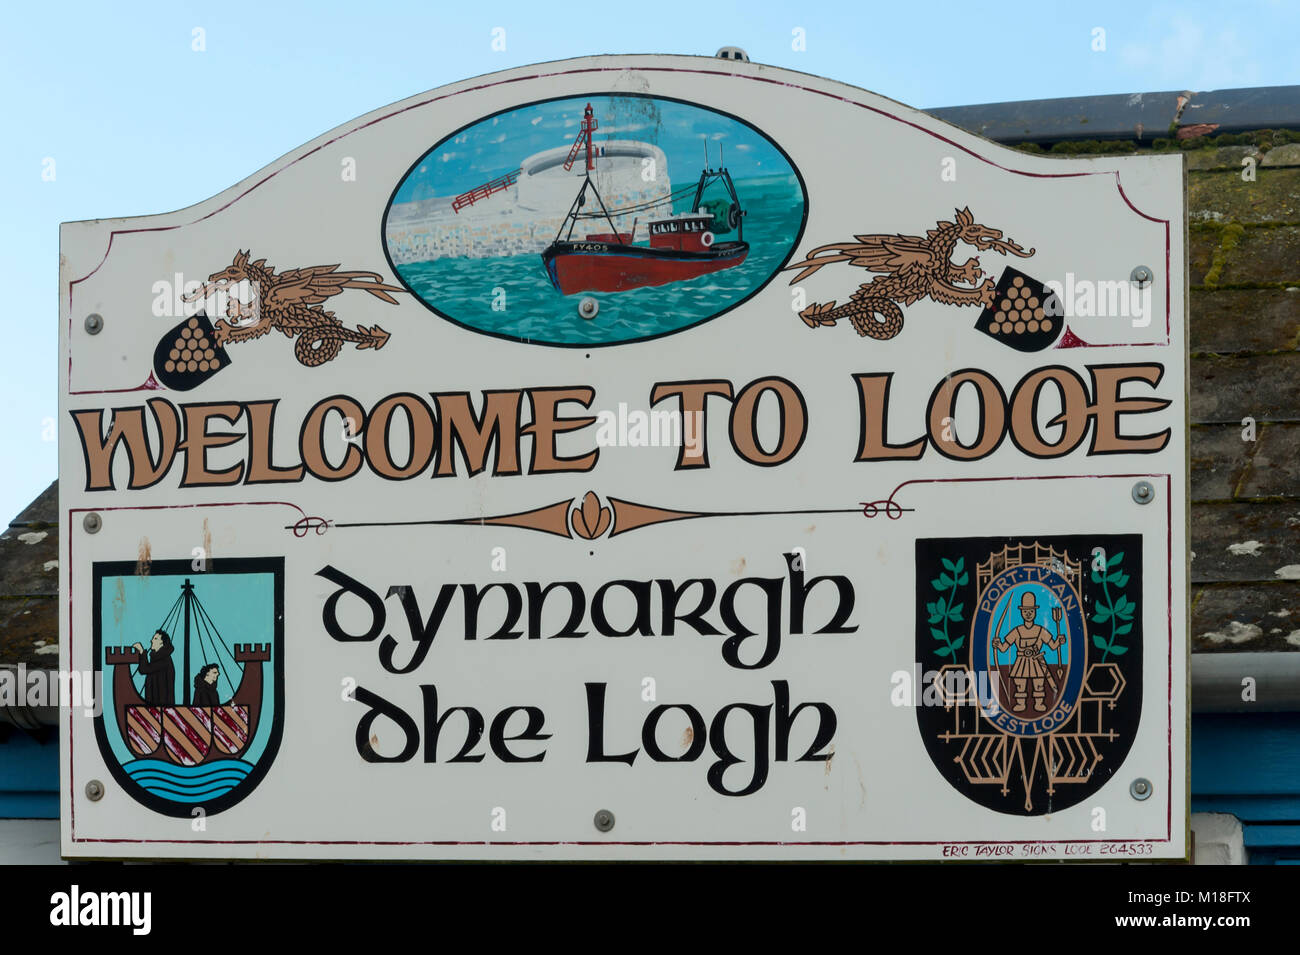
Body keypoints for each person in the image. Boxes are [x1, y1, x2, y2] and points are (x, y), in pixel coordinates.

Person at [993, 591, 1065, 713]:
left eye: (1031, 611)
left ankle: (1039, 703)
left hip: (1037, 661)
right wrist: (998, 644)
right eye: (1025, 611)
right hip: (1021, 662)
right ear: (1021, 612)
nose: (1028, 614)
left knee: (1039, 684)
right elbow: (1004, 648)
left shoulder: (1041, 630)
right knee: (1020, 684)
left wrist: (1059, 641)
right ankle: (1020, 704)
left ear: (1035, 612)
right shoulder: (1016, 631)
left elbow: (1053, 646)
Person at [131, 630, 176, 706]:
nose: (151, 640)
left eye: (155, 639)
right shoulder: (158, 658)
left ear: (161, 643)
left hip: (162, 707)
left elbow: (144, 669)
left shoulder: (164, 660)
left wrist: (142, 651)